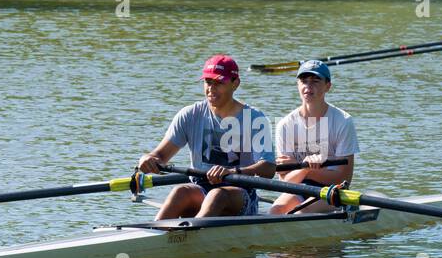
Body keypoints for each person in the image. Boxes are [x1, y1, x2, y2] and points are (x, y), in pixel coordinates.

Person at [137, 55, 276, 220]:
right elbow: (161, 155)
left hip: (241, 194)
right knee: (180, 191)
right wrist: (148, 159)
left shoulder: (254, 119)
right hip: (201, 188)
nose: (211, 89)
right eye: (208, 82)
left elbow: (268, 168)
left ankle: (193, 234)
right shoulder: (190, 115)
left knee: (217, 195)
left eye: (219, 83)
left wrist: (232, 171)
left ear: (235, 84)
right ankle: (155, 235)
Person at [269, 60, 359, 215]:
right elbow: (285, 181)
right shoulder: (285, 125)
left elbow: (344, 178)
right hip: (299, 187)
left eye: (315, 81)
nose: (308, 87)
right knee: (275, 211)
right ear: (297, 85)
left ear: (327, 86)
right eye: (304, 81)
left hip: (333, 190)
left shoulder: (343, 121)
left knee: (300, 214)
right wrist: (305, 168)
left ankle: (345, 208)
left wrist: (304, 169)